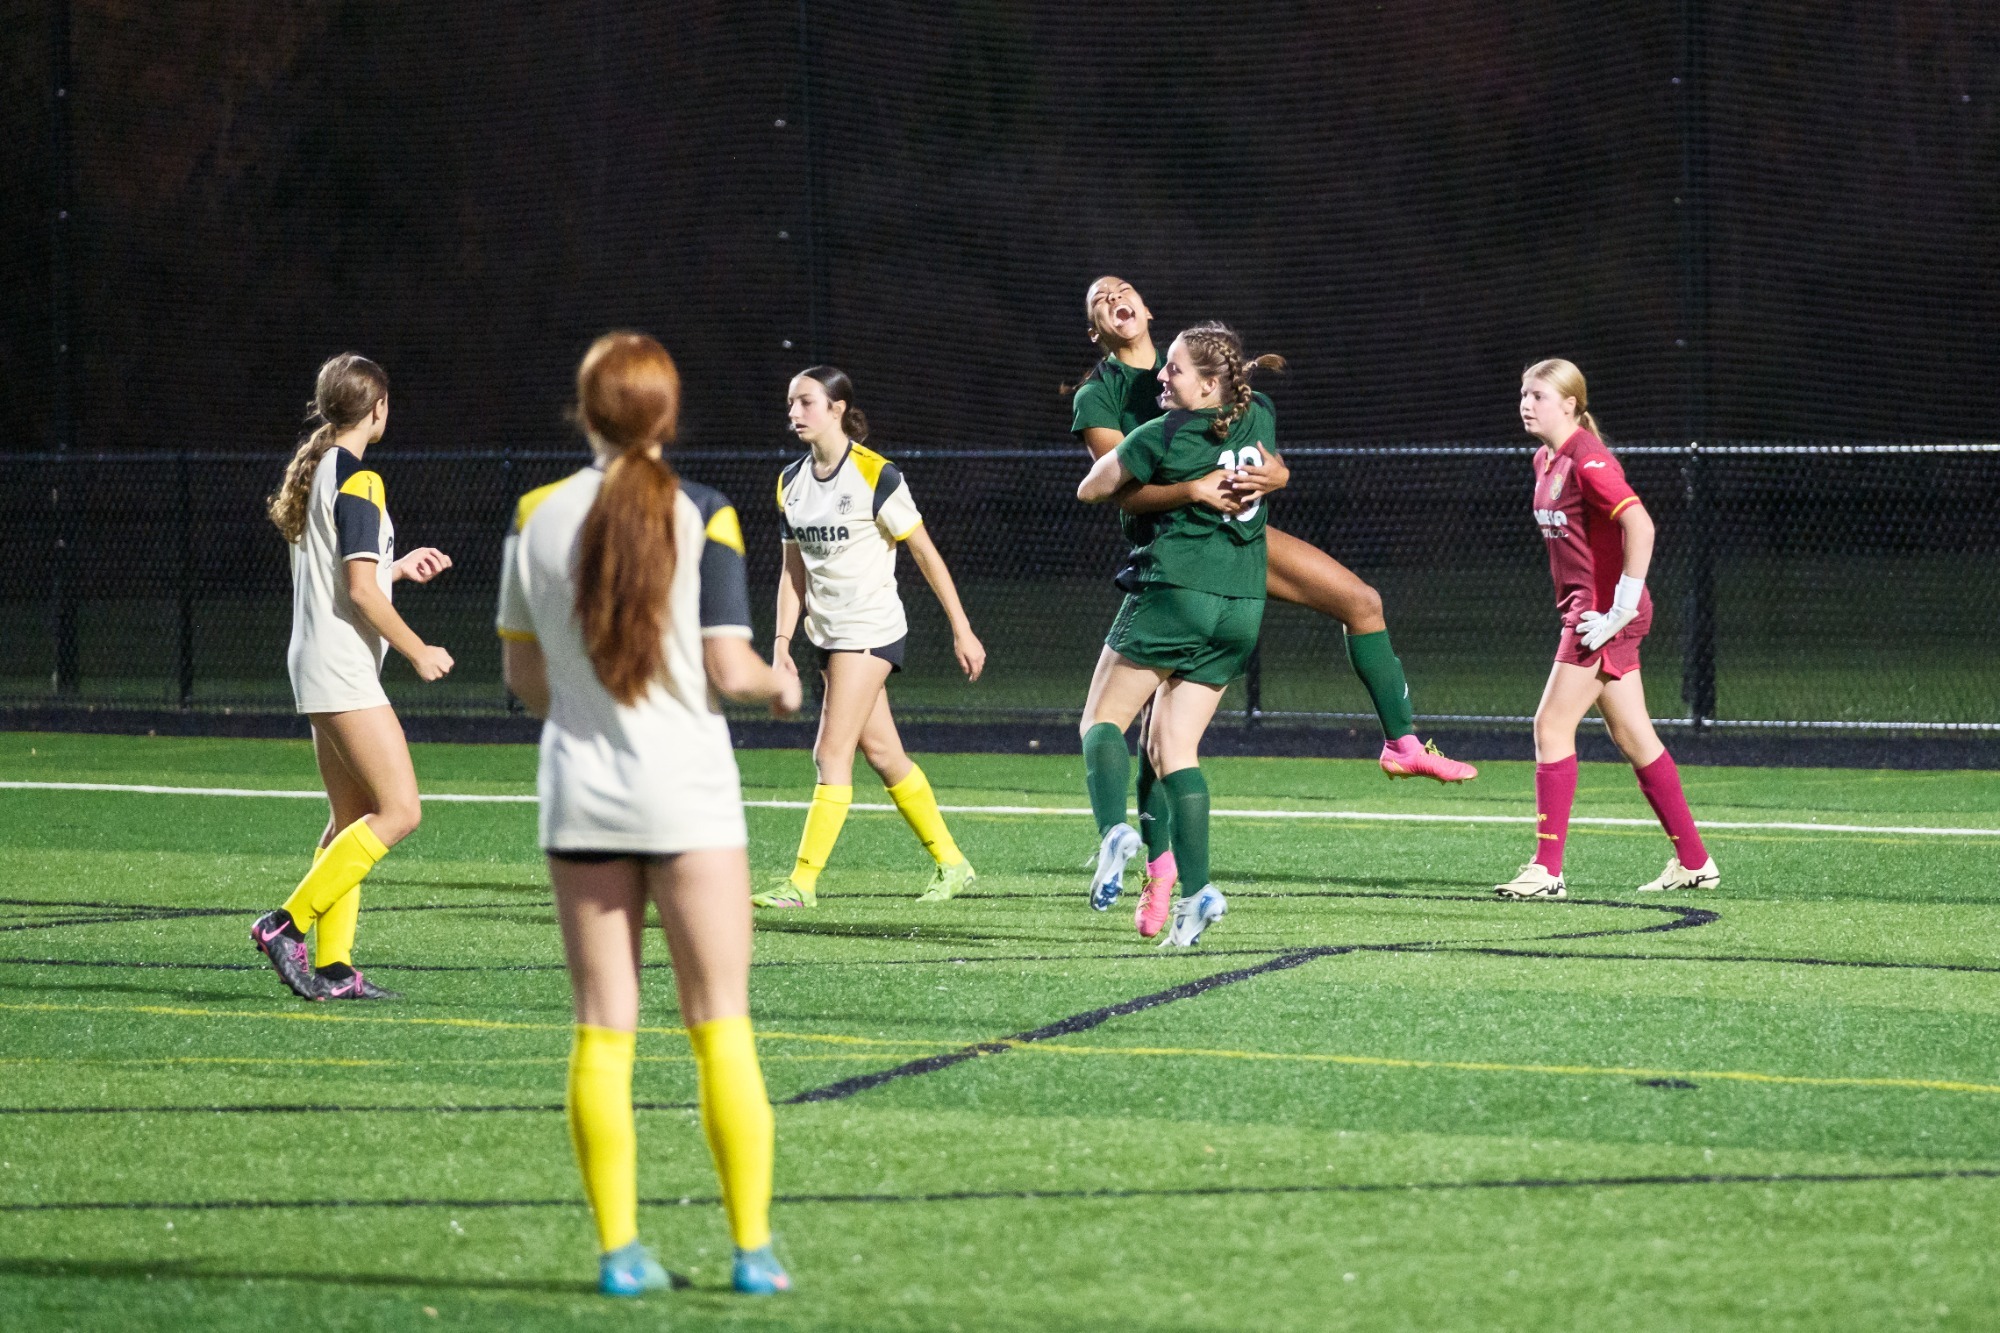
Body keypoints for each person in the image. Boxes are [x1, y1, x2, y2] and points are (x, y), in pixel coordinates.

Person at [497, 332, 803, 1297]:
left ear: (585, 411)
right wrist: (782, 683)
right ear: (667, 415)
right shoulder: (704, 512)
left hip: (581, 794)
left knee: (603, 1029)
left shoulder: (535, 514)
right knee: (721, 1024)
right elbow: (728, 668)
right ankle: (752, 1253)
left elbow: (525, 679)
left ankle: (621, 1255)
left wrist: (592, 707)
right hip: (689, 796)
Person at [1069, 277, 1475, 936]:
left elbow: (1256, 449)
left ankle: (1402, 741)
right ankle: (1165, 874)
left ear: (1145, 308)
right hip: (1180, 542)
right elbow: (1121, 490)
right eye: (1099, 297)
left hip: (1217, 555)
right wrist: (1196, 488)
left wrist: (1277, 472)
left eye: (1124, 287)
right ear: (1097, 328)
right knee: (1160, 740)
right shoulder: (1104, 394)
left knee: (1361, 601)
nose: (1115, 293)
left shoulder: (1192, 363)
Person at [250, 353, 454, 1001]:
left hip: (316, 659)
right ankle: (285, 924)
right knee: (400, 811)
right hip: (341, 666)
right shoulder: (360, 478)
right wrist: (419, 649)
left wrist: (397, 568)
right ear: (378, 408)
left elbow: (352, 578)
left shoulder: (319, 469)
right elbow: (360, 592)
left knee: (351, 818)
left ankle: (335, 968)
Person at [1076, 321, 1280, 947]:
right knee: (1174, 750)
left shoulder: (1165, 431)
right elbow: (1270, 459)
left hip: (1177, 591)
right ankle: (1198, 893)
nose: (1162, 377)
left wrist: (1168, 480)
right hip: (1241, 605)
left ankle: (1114, 832)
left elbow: (1091, 489)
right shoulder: (1260, 413)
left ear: (1210, 383)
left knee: (1101, 722)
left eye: (1175, 369)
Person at [752, 366, 987, 909]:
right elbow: (792, 572)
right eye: (791, 403)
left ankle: (801, 884)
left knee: (830, 753)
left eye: (806, 402)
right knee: (883, 754)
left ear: (837, 408)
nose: (794, 412)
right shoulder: (790, 482)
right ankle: (953, 863)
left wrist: (962, 628)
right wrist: (782, 642)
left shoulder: (876, 474)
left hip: (869, 631)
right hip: (827, 635)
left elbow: (925, 553)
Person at [1494, 358, 1719, 900]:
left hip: (1599, 618)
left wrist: (1621, 606)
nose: (1526, 404)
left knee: (1550, 726)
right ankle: (1695, 862)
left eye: (1539, 396)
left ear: (1570, 404)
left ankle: (1547, 871)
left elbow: (1640, 524)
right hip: (1593, 611)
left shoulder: (1587, 458)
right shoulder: (1544, 459)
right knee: (1635, 736)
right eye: (1524, 394)